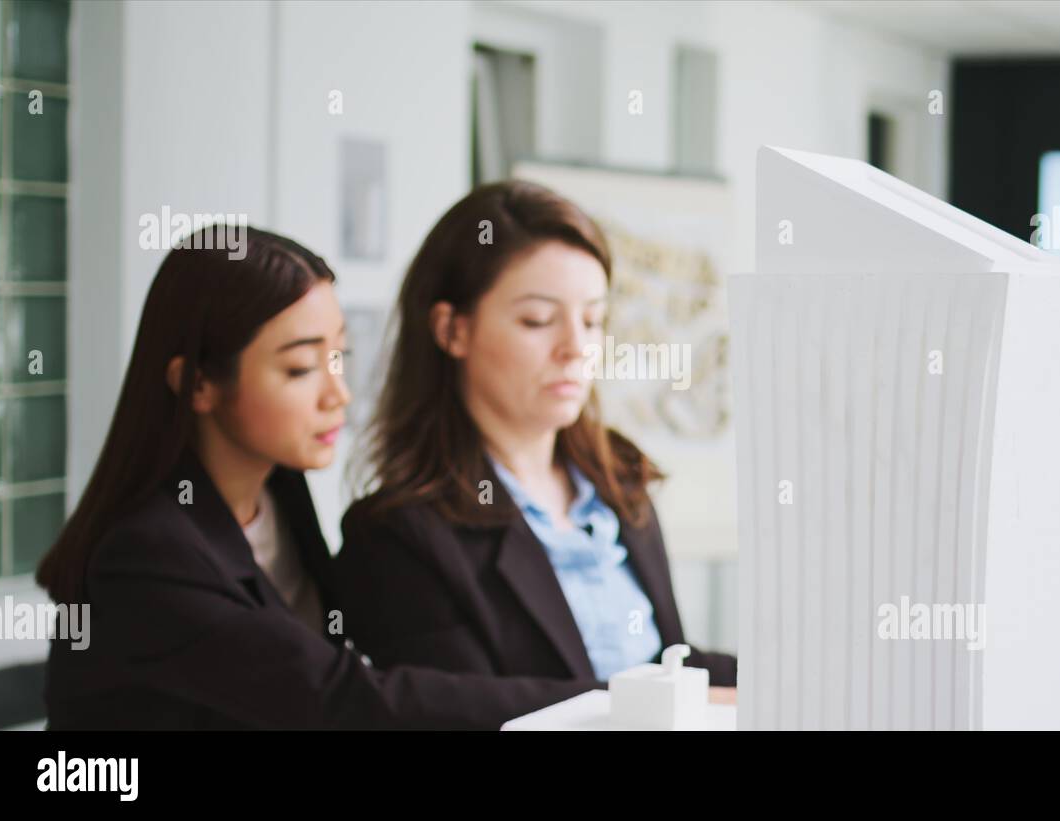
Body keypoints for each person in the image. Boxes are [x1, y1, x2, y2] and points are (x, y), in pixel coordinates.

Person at [37, 225, 598, 729]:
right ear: (199, 383)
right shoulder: (149, 554)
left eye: (340, 358)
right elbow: (343, 700)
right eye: (301, 369)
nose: (339, 396)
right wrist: (601, 703)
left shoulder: (277, 492)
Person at [335, 181, 737, 690]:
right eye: (538, 320)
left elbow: (666, 664)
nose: (576, 347)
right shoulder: (396, 538)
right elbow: (468, 717)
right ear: (452, 330)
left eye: (592, 320)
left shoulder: (618, 477)